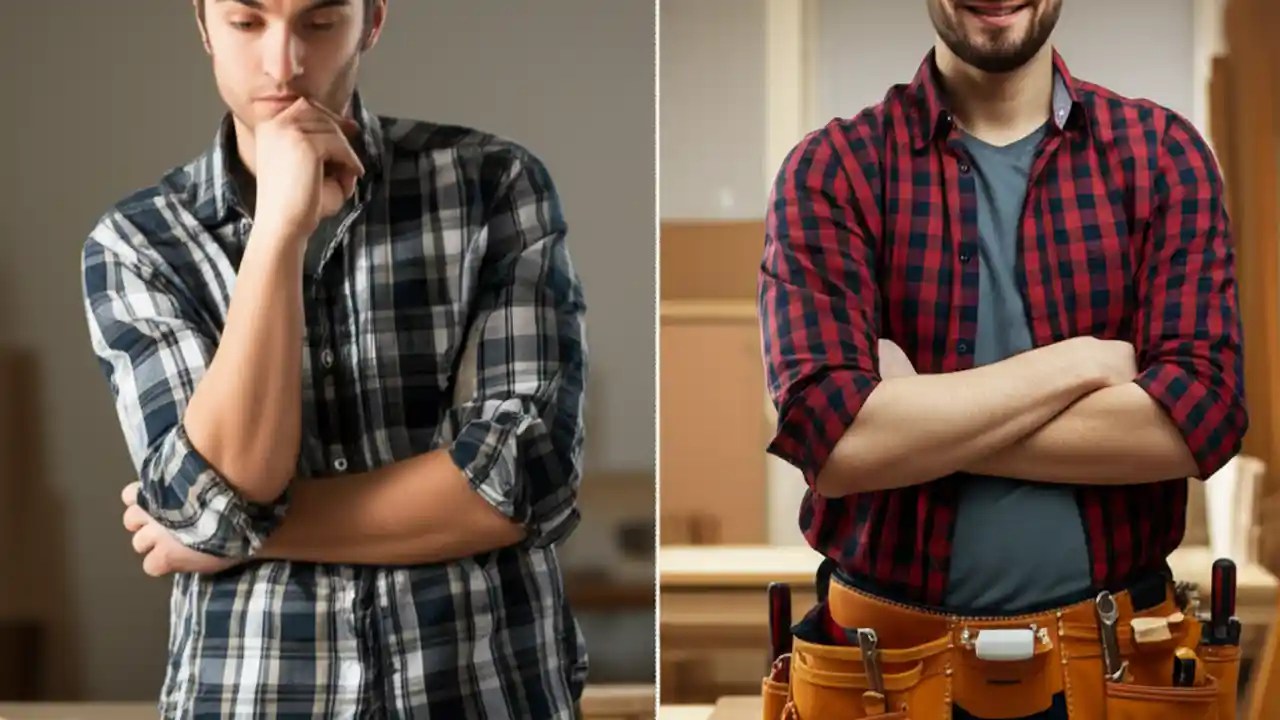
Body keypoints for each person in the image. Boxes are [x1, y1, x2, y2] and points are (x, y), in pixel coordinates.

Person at [80, 0, 588, 716]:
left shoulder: (493, 186)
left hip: (482, 691)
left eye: (319, 22)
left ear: (372, 20)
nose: (284, 65)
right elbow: (224, 495)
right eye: (246, 22)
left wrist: (239, 534)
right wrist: (280, 229)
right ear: (202, 24)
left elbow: (521, 478)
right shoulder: (136, 243)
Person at [759, 1, 1246, 718]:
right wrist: (1078, 365)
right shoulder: (832, 170)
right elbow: (834, 442)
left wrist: (916, 418)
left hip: (1116, 673)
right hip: (881, 678)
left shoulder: (1162, 156)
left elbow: (1197, 420)